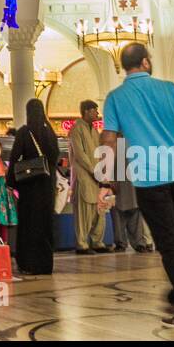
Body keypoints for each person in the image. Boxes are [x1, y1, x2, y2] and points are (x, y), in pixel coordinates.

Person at [101, 43, 174, 329]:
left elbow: (109, 139)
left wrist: (104, 176)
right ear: (146, 62)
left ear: (126, 66)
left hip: (149, 176)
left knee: (169, 243)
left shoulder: (115, 97)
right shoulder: (170, 89)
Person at [9, 98, 59, 276]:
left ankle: (27, 264)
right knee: (45, 225)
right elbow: (55, 158)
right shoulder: (50, 133)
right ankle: (45, 265)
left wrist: (10, 183)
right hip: (47, 188)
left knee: (29, 225)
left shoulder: (24, 132)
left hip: (29, 188)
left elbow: (15, 158)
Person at [69, 100, 107, 254]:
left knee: (97, 211)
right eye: (94, 111)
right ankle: (82, 244)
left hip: (96, 177)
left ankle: (97, 242)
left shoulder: (94, 130)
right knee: (84, 212)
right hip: (84, 175)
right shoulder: (77, 129)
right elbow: (80, 154)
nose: (97, 114)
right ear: (86, 111)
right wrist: (93, 171)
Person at [110, 176, 153, 252]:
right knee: (121, 221)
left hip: (132, 192)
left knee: (134, 221)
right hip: (121, 194)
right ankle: (124, 244)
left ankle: (136, 244)